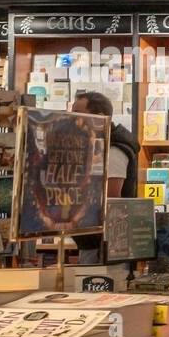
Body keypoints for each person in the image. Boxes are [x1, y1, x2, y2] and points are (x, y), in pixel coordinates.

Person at [70, 90, 139, 265]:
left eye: (77, 113)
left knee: (95, 283)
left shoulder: (114, 149)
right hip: (95, 239)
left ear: (99, 118)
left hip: (102, 242)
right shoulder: (100, 144)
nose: (72, 119)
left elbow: (112, 196)